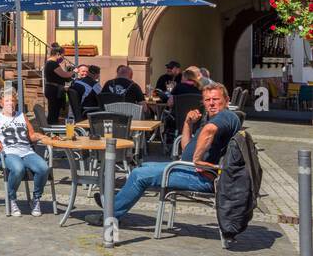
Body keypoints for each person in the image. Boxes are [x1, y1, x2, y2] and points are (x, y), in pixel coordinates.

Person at [95, 82, 240, 225]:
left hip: (201, 177)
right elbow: (186, 147)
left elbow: (210, 130)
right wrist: (187, 123)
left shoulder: (226, 116)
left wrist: (196, 159)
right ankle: (115, 204)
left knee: (139, 176)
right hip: (188, 168)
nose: (212, 103)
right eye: (208, 100)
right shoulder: (211, 118)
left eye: (216, 99)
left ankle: (109, 216)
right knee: (143, 166)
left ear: (226, 101)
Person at [0, 89, 51, 216]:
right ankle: (12, 199)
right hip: (7, 153)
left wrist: (43, 137)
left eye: (13, 101)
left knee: (43, 168)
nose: (10, 103)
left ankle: (36, 199)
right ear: (1, 102)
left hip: (26, 151)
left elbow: (31, 135)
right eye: (7, 100)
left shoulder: (22, 115)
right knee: (18, 169)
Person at [43, 45, 75, 124]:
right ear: (58, 54)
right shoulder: (52, 63)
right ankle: (52, 129)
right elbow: (64, 75)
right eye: (63, 55)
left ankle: (52, 127)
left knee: (54, 111)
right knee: (54, 111)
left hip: (52, 89)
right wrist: (74, 72)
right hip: (53, 90)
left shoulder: (51, 63)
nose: (63, 57)